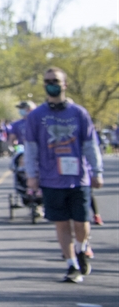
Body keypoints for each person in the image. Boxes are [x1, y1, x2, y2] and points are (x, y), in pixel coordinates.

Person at [25, 67, 104, 283]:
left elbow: (90, 145)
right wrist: (31, 174)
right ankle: (71, 265)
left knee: (81, 222)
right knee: (61, 223)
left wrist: (97, 172)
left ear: (64, 84)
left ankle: (81, 249)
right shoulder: (37, 116)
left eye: (56, 80)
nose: (52, 83)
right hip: (51, 178)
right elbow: (30, 147)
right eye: (48, 80)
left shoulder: (78, 113)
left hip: (78, 177)